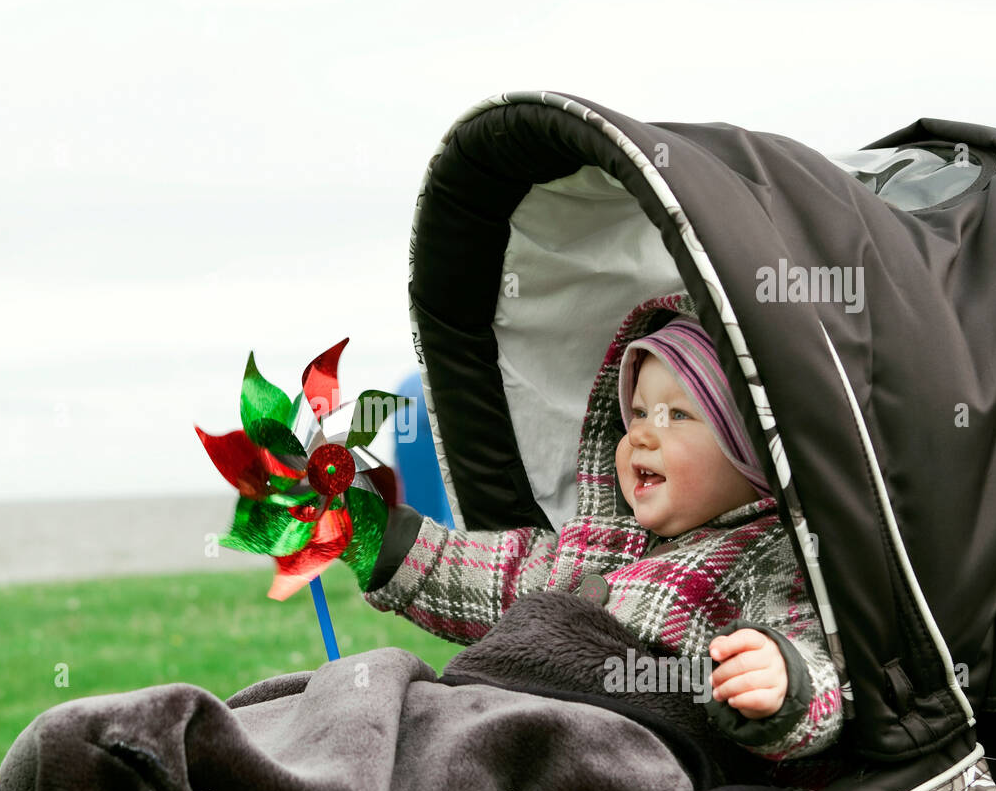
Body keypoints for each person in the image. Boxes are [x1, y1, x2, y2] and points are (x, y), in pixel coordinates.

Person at [361, 306, 843, 764]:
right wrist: (377, 536)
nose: (641, 435)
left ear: (751, 450)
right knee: (370, 697)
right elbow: (496, 577)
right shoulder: (597, 547)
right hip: (503, 720)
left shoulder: (767, 553)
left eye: (677, 415)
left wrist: (784, 681)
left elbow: (821, 664)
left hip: (620, 755)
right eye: (638, 412)